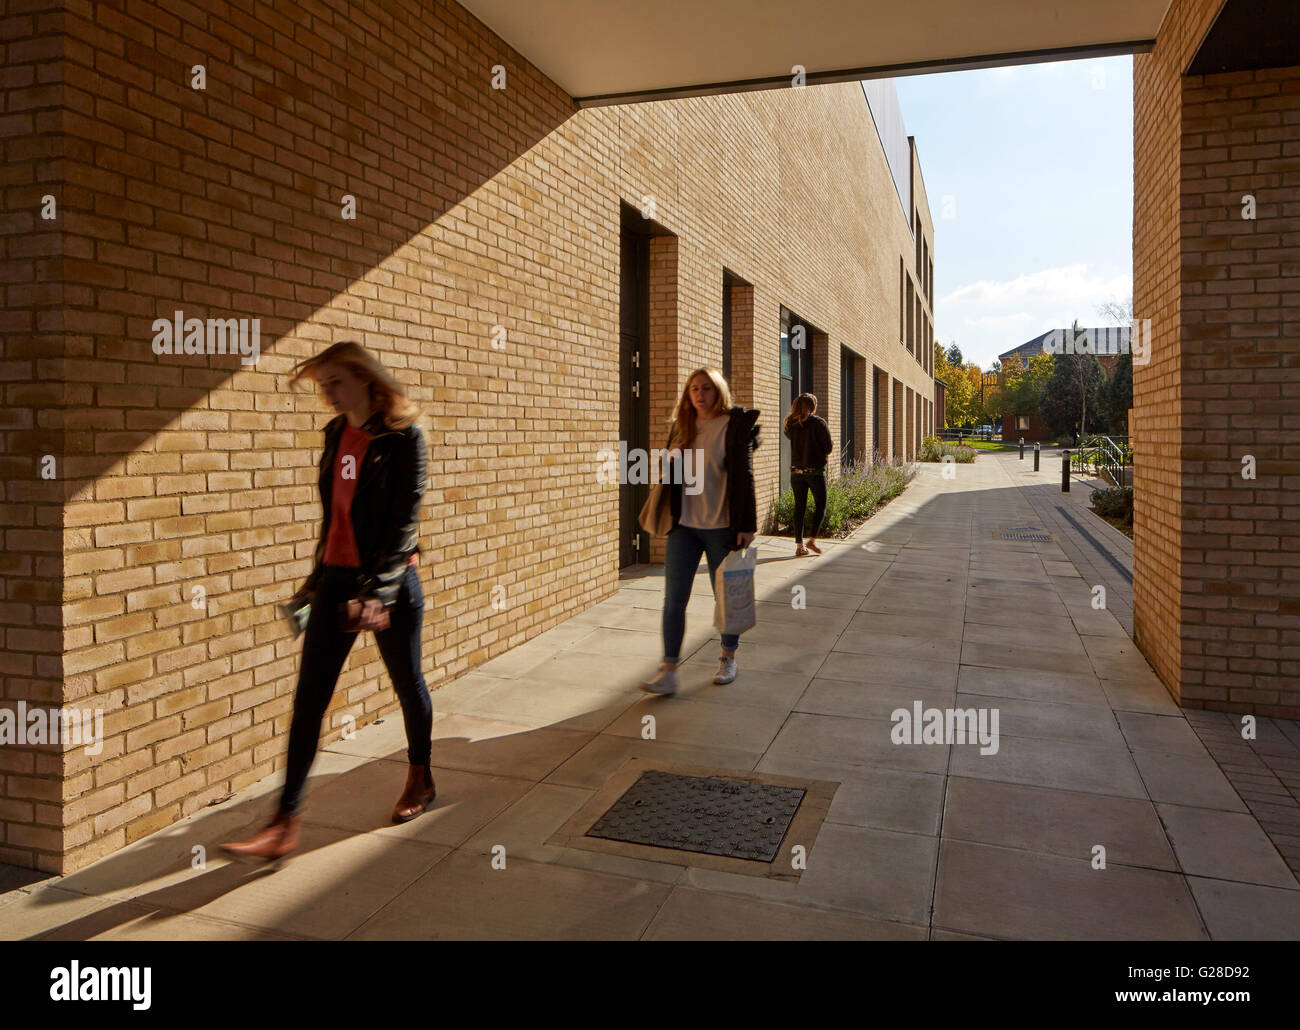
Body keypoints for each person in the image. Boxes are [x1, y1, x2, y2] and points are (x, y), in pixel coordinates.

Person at [221, 341, 433, 863]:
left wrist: (377, 594)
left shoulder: (405, 439)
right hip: (337, 581)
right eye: (322, 384)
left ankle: (420, 777)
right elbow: (335, 519)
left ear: (365, 379)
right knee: (308, 701)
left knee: (407, 683)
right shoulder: (336, 434)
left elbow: (404, 524)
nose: (327, 394)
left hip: (389, 581)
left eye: (335, 382)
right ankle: (285, 820)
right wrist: (316, 582)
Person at [643, 368, 760, 696]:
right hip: (684, 527)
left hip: (723, 527)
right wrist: (670, 459)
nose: (699, 394)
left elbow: (744, 476)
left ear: (718, 391)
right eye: (693, 388)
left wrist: (747, 526)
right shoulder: (683, 427)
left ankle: (728, 657)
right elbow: (668, 475)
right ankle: (668, 670)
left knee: (728, 597)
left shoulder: (733, 426)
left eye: (706, 388)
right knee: (673, 600)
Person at [782, 393, 833, 557]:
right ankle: (811, 540)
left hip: (796, 473)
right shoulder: (818, 423)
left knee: (799, 507)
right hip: (815, 473)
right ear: (812, 407)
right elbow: (828, 448)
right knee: (821, 506)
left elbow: (791, 438)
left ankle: (799, 546)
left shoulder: (790, 423)